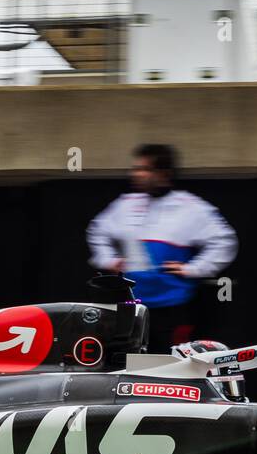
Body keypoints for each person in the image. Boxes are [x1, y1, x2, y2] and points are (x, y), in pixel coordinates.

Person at [87, 143, 238, 350]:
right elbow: (97, 231)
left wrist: (194, 269)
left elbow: (225, 241)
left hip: (173, 309)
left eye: (144, 169)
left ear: (164, 174)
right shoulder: (125, 204)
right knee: (128, 362)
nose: (137, 174)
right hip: (130, 307)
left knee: (171, 364)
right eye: (136, 169)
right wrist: (108, 260)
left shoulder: (190, 207)